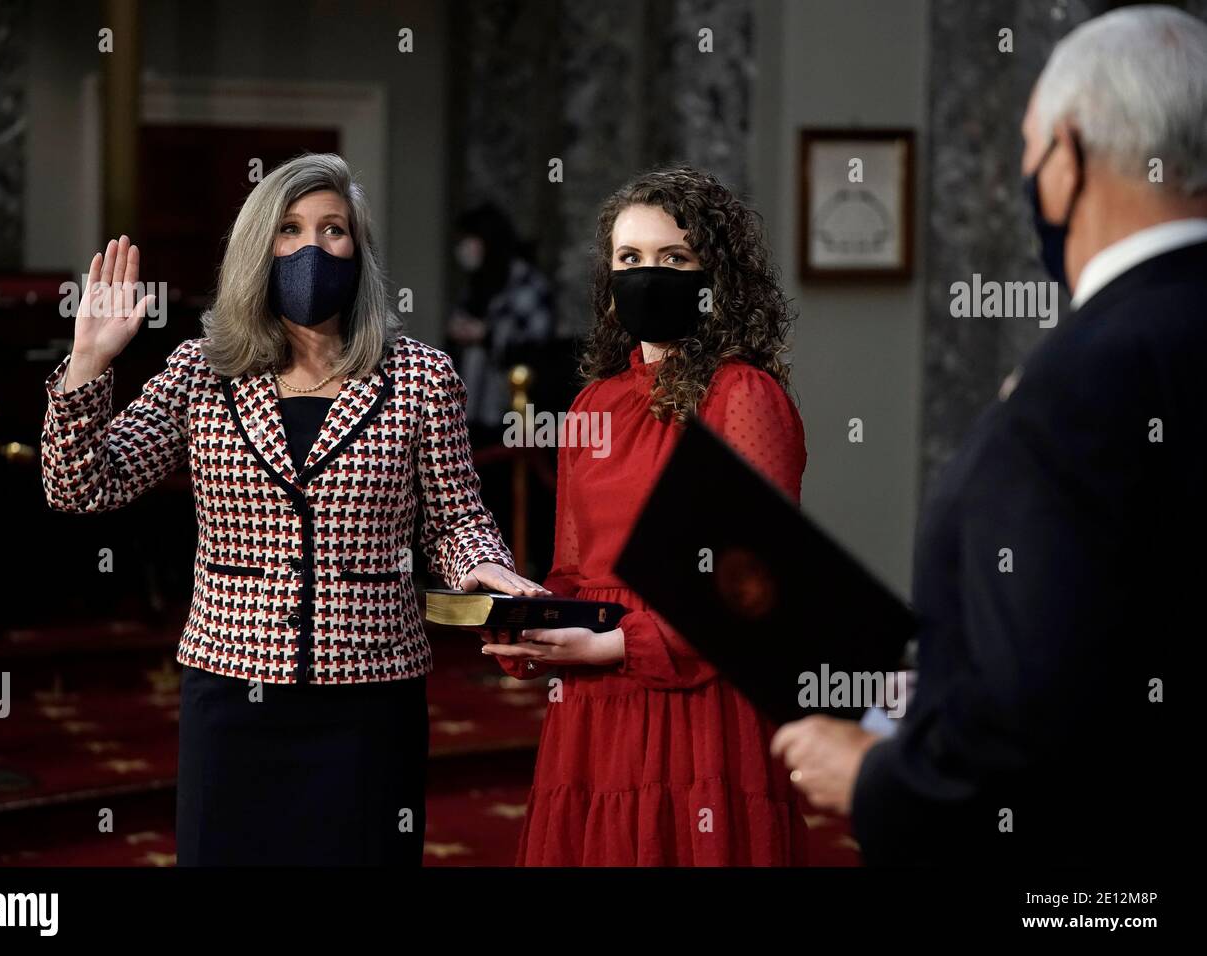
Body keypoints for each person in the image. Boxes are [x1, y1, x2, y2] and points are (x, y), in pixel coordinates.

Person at [773, 5, 1207, 865]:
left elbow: (1030, 732)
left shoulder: (1079, 383)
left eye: (1029, 152)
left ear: (1069, 156)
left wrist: (874, 776)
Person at [41, 153, 546, 866]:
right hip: (232, 692)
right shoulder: (203, 370)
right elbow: (81, 485)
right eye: (291, 229)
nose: (314, 248)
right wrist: (88, 362)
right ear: (259, 248)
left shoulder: (421, 375)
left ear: (358, 250)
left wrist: (485, 566)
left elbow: (454, 518)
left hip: (370, 699)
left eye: (334, 230)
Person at [483, 165, 809, 865]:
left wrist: (618, 645)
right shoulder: (593, 405)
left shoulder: (743, 395)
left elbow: (754, 584)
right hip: (597, 707)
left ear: (714, 276)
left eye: (674, 258)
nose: (647, 274)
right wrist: (535, 627)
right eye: (629, 259)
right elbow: (574, 569)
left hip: (700, 700)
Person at [447, 203, 554, 431]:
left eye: (469, 239)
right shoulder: (474, 286)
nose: (463, 248)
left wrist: (487, 335)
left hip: (512, 415)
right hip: (470, 413)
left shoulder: (526, 285)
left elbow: (536, 348)